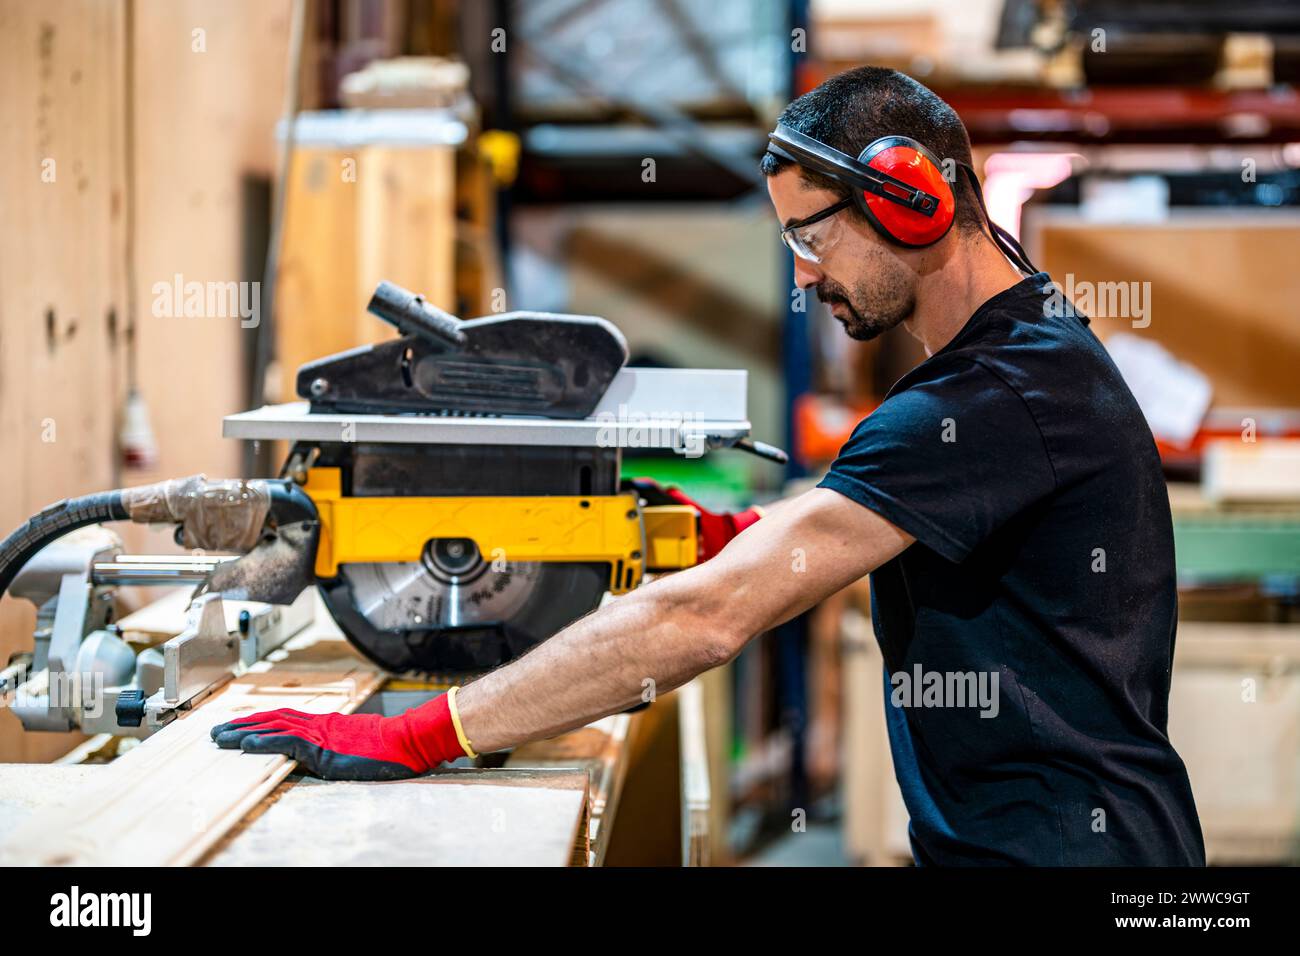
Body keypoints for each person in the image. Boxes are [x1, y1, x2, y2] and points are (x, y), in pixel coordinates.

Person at [213, 66, 1204, 866]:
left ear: (912, 198)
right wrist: (724, 533)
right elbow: (884, 527)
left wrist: (416, 733)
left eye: (810, 234)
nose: (803, 274)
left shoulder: (985, 398)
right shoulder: (1026, 351)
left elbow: (699, 620)